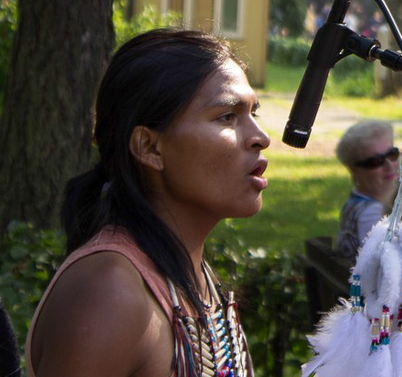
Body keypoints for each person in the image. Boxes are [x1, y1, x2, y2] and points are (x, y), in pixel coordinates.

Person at [26, 29, 268, 376]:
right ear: (150, 147)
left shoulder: (192, 273)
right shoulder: (110, 291)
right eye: (227, 117)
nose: (260, 138)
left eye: (252, 114)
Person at [335, 120, 400, 259]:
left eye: (392, 154)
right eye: (376, 161)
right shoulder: (372, 214)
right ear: (354, 170)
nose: (389, 165)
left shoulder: (355, 204)